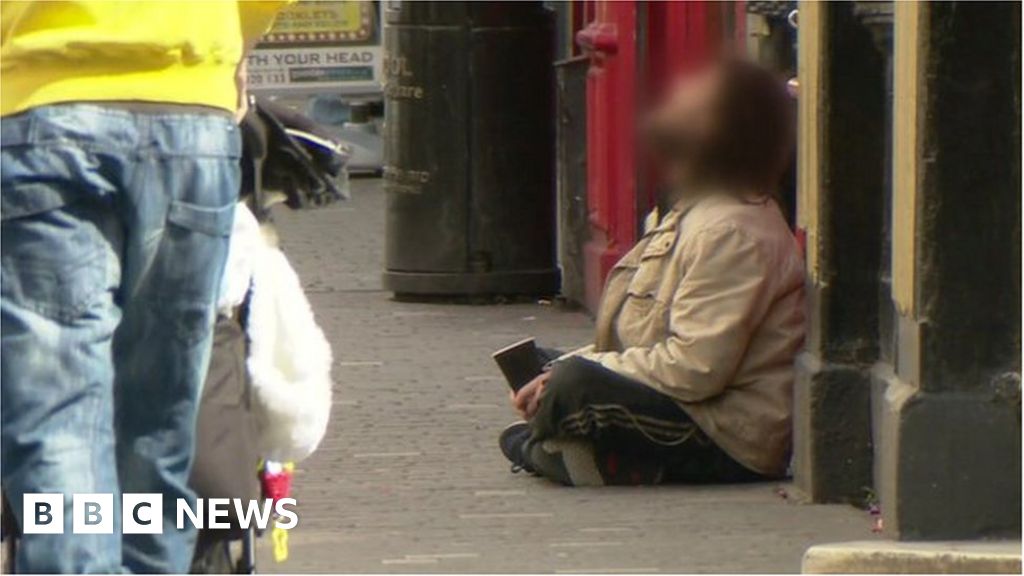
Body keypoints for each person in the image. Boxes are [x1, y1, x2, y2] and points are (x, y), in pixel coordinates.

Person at [0, 2, 289, 572]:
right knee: (159, 428)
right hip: (191, 108)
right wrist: (232, 48)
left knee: (59, 424)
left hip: (43, 100)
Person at [499, 59, 805, 487]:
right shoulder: (697, 209)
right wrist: (561, 366)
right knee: (551, 367)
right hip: (689, 400)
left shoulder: (731, 231)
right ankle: (567, 448)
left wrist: (573, 374)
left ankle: (554, 450)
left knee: (572, 385)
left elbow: (694, 369)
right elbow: (645, 338)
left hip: (726, 433)